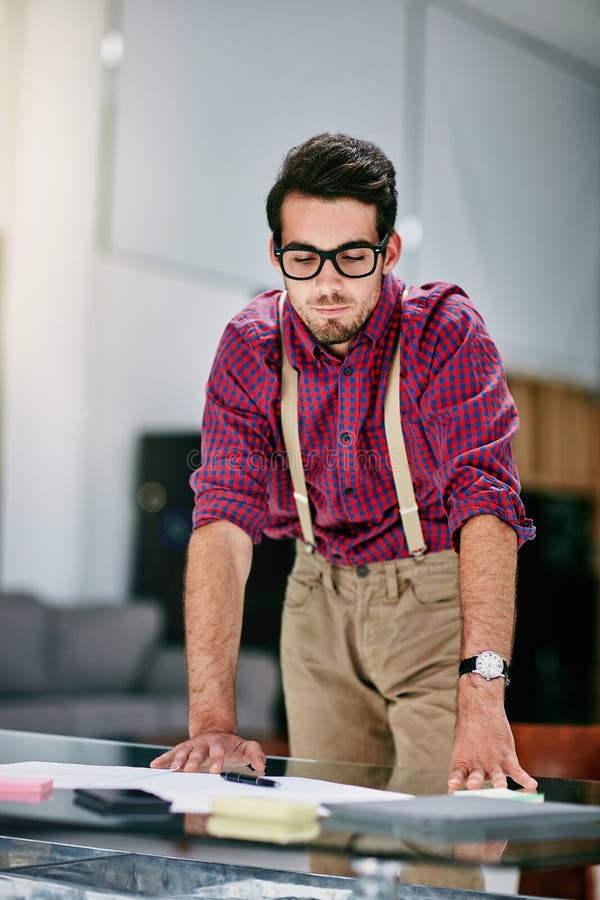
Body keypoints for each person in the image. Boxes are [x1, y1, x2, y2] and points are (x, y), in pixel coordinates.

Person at [151, 133, 538, 793]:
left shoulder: (445, 332)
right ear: (276, 254)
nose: (327, 285)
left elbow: (487, 504)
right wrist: (212, 721)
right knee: (328, 828)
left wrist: (483, 694)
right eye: (304, 258)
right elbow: (222, 523)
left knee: (445, 830)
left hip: (433, 602)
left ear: (389, 251)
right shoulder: (251, 345)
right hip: (315, 602)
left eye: (353, 257)